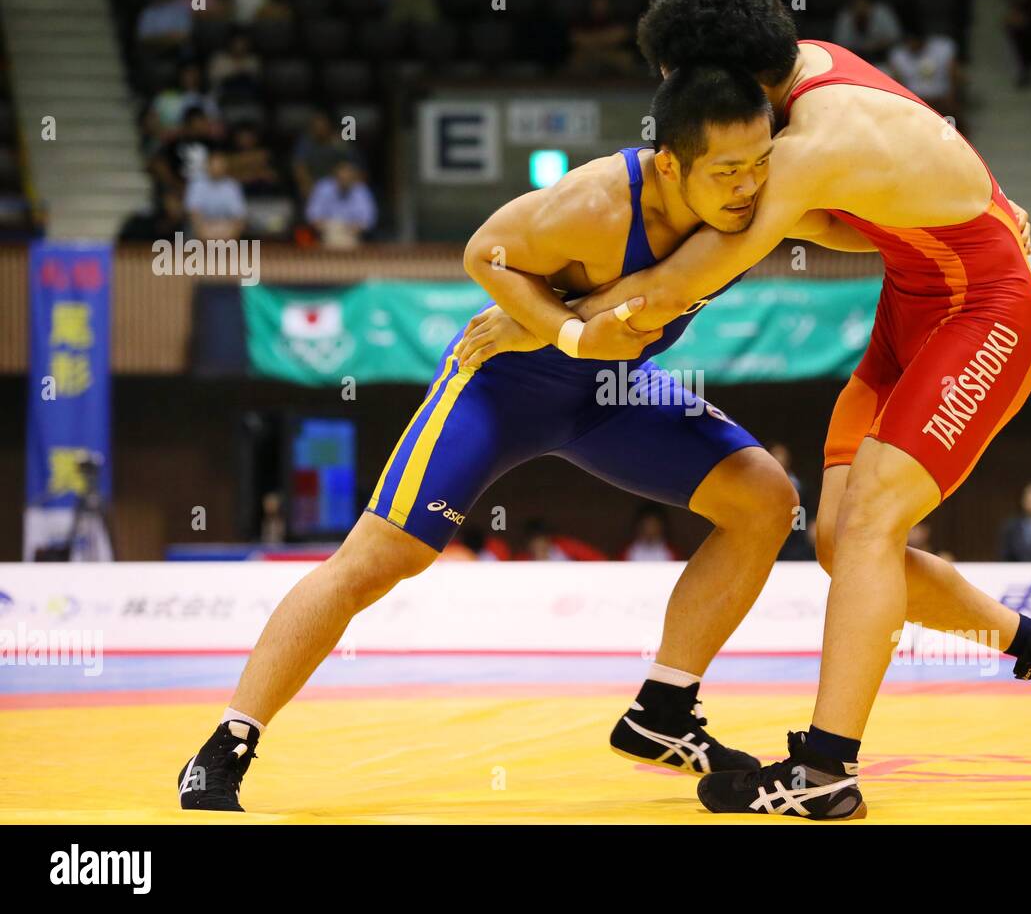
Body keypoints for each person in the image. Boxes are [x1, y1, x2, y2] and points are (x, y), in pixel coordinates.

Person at [505, 0, 1031, 820]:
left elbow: (682, 283)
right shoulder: (803, 76)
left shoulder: (812, 144)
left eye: (678, 79)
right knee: (838, 541)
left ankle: (826, 772)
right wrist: (993, 204)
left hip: (985, 317)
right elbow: (871, 202)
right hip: (913, 303)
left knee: (868, 527)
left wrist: (537, 315)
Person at [179, 66, 832, 811]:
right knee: (376, 560)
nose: (749, 188)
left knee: (766, 500)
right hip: (504, 387)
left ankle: (663, 712)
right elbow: (482, 252)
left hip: (611, 392)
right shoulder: (595, 204)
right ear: (670, 162)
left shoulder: (751, 200)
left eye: (759, 165)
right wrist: (562, 330)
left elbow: (844, 215)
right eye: (727, 171)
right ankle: (228, 741)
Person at [305, 161, 378, 248]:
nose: (344, 181)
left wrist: (349, 229)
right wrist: (332, 228)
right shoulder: (323, 188)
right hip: (326, 235)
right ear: (334, 177)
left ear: (353, 178)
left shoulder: (361, 191)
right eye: (341, 178)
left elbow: (368, 220)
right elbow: (313, 216)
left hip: (352, 237)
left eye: (348, 178)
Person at [184, 151, 247, 240]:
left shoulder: (232, 185)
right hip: (202, 229)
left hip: (225, 229)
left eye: (220, 165)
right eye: (213, 165)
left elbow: (240, 216)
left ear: (225, 167)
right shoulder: (196, 184)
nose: (216, 169)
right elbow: (194, 214)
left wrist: (231, 232)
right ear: (206, 166)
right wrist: (205, 231)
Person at [831, 0, 901, 63]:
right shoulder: (846, 16)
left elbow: (895, 36)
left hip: (884, 55)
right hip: (855, 56)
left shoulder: (881, 11)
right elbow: (840, 43)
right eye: (857, 4)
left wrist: (877, 45)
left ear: (870, 3)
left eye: (863, 3)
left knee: (898, 53)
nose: (861, 7)